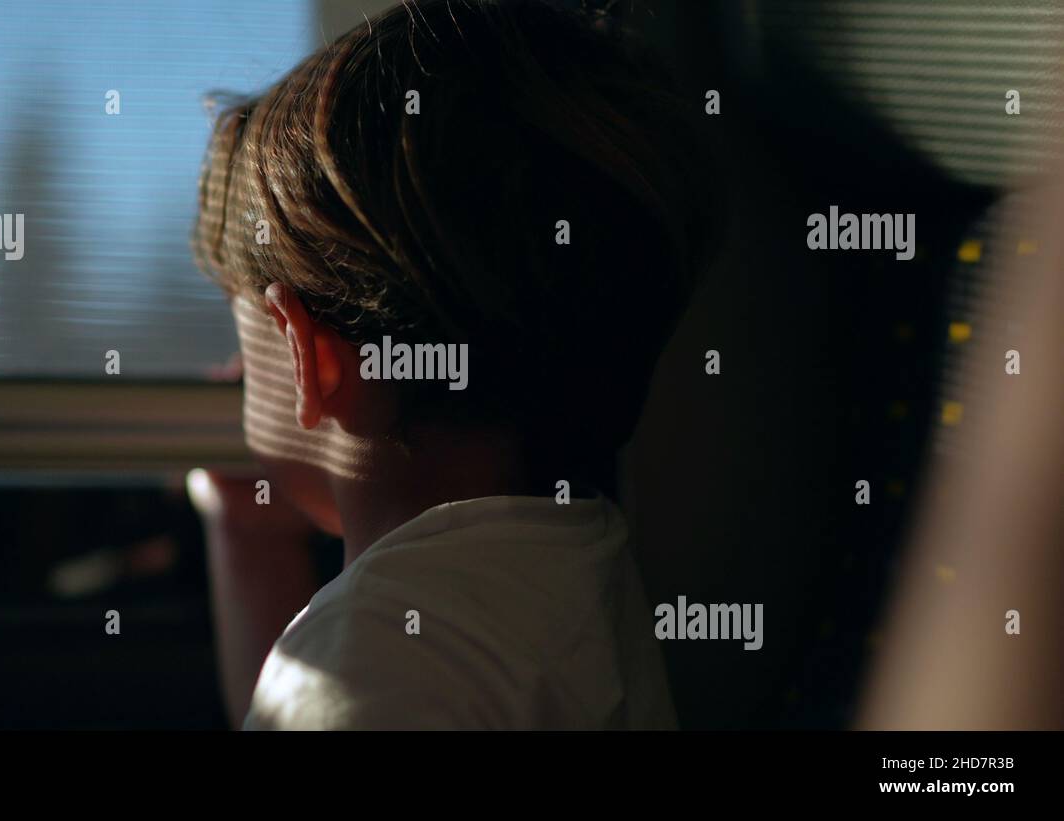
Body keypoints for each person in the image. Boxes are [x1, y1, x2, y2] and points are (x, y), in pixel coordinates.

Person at [188, 0, 720, 729]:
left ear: (310, 360)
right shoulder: (576, 561)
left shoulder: (368, 656)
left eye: (250, 351)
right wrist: (247, 534)